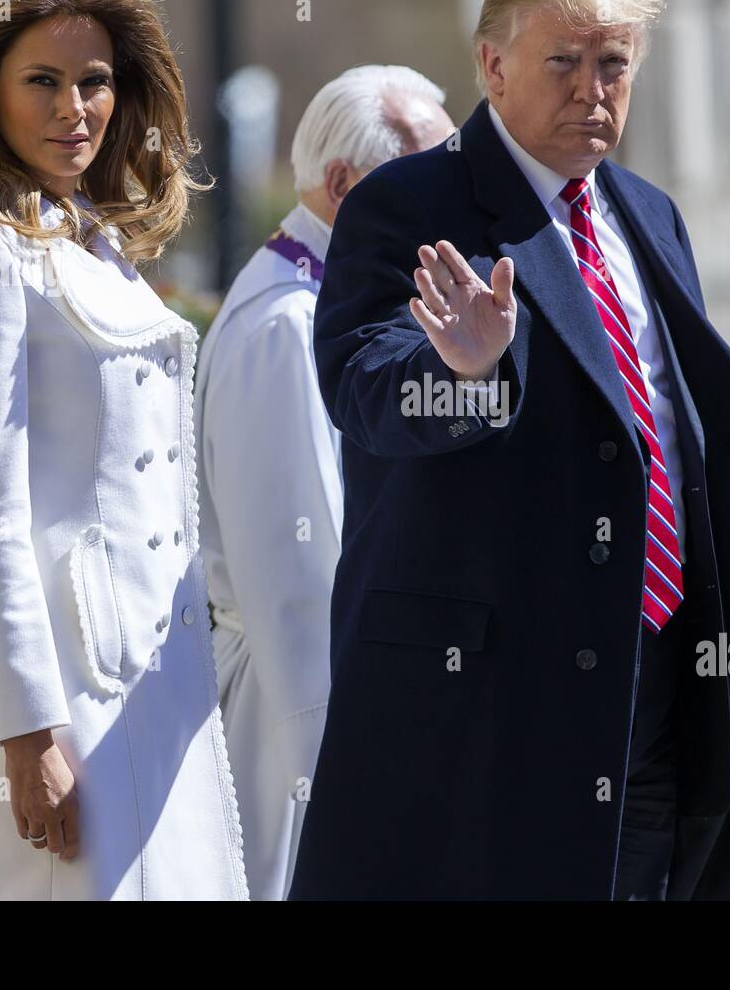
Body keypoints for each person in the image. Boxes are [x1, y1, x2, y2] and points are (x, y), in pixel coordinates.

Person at [290, 0, 730, 901]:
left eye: (614, 65)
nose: (592, 91)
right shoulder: (411, 201)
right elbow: (362, 386)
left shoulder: (648, 214)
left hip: (653, 688)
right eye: (562, 62)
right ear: (491, 65)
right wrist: (459, 369)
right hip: (488, 711)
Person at [0, 0, 248, 900]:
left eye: (93, 80)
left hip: (156, 673)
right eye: (42, 82)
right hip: (67, 689)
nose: (75, 108)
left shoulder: (92, 238)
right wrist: (26, 731)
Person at [194, 65, 454, 900]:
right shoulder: (286, 326)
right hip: (299, 732)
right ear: (344, 186)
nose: (453, 191)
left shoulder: (333, 294)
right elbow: (302, 588)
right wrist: (350, 783)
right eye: (428, 166)